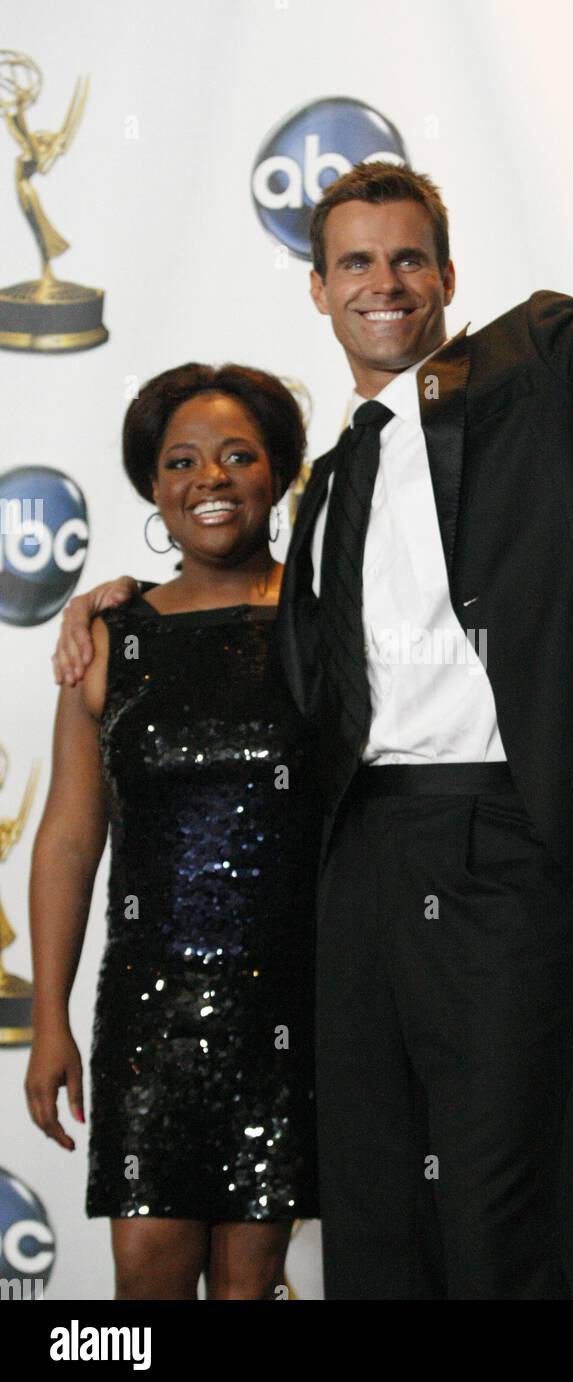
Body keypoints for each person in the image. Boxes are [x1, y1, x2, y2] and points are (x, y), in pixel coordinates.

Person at [54, 2, 573, 1299]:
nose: (384, 281)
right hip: (355, 858)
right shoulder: (323, 490)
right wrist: (121, 603)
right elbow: (280, 642)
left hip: (505, 845)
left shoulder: (541, 376)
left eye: (408, 258)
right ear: (318, 288)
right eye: (356, 262)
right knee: (374, 1223)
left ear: (444, 274)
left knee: (496, 1221)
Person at [29, 365, 321, 1300]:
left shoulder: (326, 622)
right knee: (145, 1278)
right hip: (150, 1013)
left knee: (250, 1285)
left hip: (293, 1003)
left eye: (239, 456)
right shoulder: (113, 638)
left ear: (277, 476)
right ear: (152, 487)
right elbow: (70, 842)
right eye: (182, 461)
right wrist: (48, 1021)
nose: (211, 479)